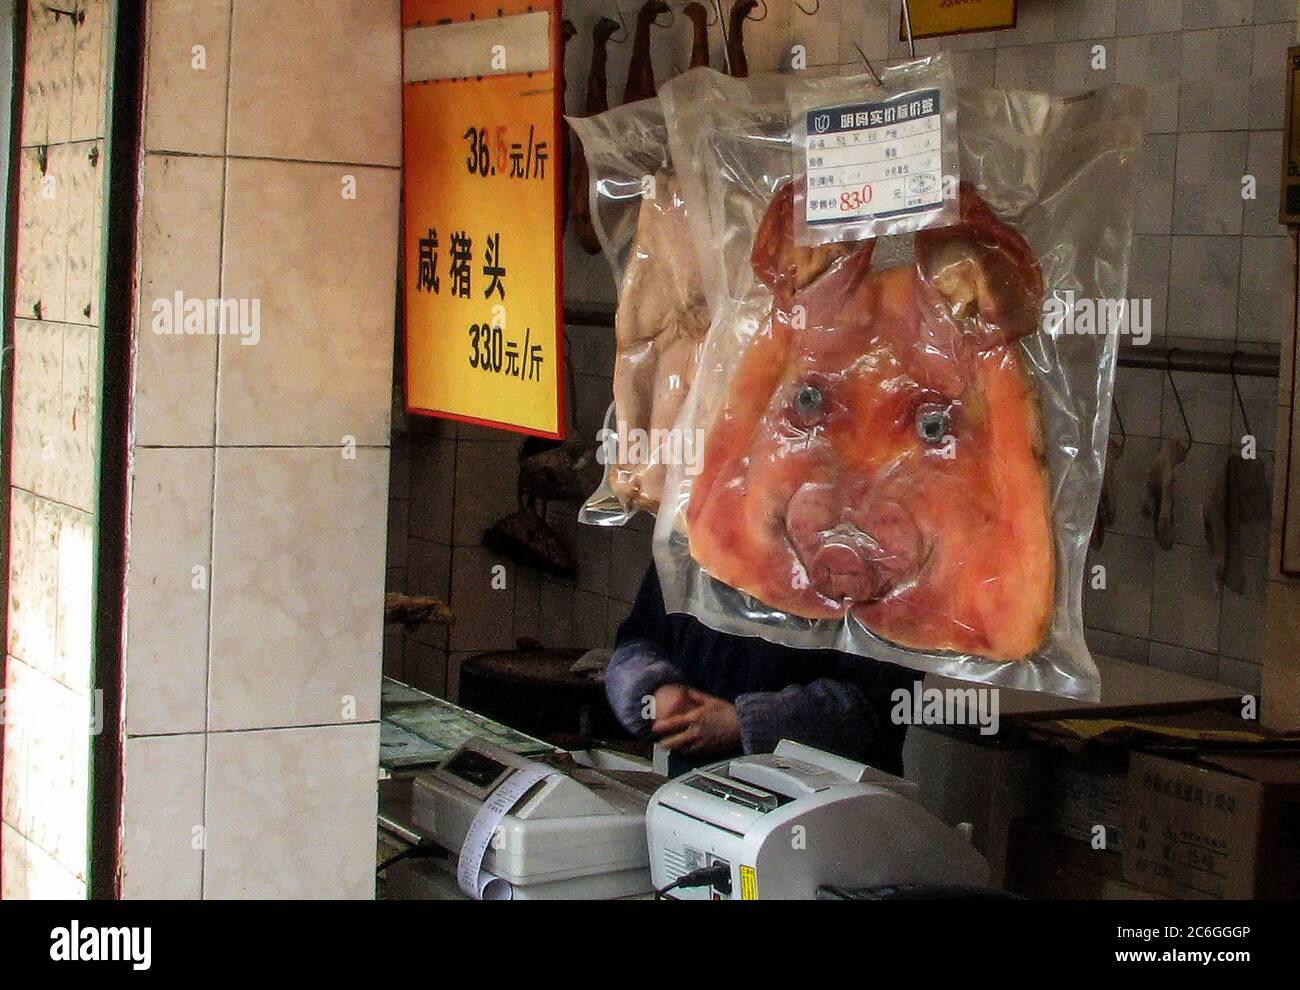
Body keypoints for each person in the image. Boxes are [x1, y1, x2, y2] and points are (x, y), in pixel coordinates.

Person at [605, 564, 916, 777]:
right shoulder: (694, 529)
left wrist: (745, 723)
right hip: (695, 799)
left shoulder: (871, 551)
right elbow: (639, 637)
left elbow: (882, 707)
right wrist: (655, 691)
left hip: (823, 820)